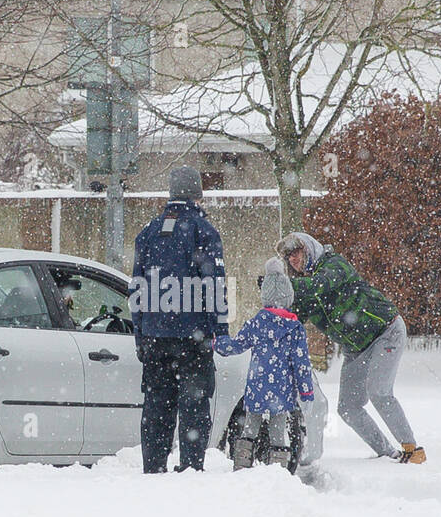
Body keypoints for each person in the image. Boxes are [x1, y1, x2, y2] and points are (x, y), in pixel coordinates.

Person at [273, 232, 425, 463]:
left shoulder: (334, 264)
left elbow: (319, 285)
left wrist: (284, 284)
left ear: (309, 249)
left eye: (297, 252)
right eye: (289, 257)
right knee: (348, 408)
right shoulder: (303, 291)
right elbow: (291, 319)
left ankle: (413, 450)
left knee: (379, 392)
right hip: (355, 349)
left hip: (386, 332)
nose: (294, 259)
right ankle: (387, 454)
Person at [129, 166, 228, 473]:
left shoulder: (148, 232)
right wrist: (219, 331)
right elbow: (214, 287)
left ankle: (154, 468)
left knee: (157, 406)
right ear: (198, 194)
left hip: (156, 337)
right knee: (194, 408)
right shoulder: (204, 232)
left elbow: (137, 288)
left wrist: (141, 334)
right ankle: (190, 470)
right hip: (193, 338)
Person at [214, 259, 315, 470]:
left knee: (250, 428)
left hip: (257, 385)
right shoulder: (295, 328)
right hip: (282, 389)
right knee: (278, 430)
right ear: (288, 296)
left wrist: (218, 343)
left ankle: (241, 466)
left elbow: (237, 345)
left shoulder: (256, 323)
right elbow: (301, 364)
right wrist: (306, 393)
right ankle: (277, 470)